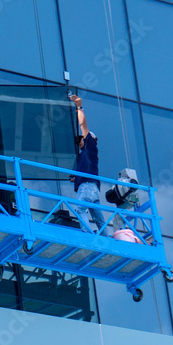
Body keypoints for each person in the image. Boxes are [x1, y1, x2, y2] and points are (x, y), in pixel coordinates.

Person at [69, 94, 110, 237]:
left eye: (82, 139)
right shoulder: (85, 156)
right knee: (99, 220)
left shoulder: (90, 146)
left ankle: (87, 234)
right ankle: (106, 239)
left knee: (79, 209)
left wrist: (79, 106)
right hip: (92, 188)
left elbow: (83, 125)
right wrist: (76, 178)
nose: (80, 141)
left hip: (87, 187)